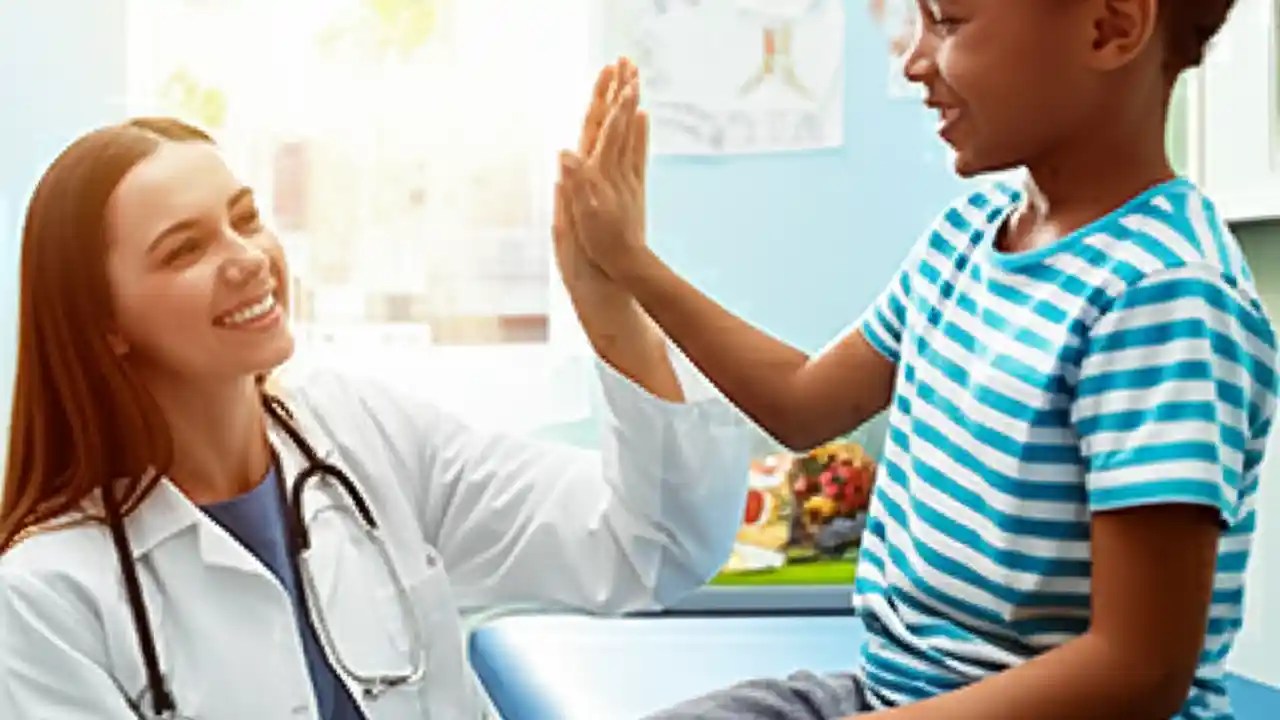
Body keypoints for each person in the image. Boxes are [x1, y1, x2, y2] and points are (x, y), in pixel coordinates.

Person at [561, 2, 1275, 718]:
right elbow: (803, 404)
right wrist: (630, 263)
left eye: (950, 21)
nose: (914, 61)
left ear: (1109, 28)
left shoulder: (1164, 295)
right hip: (886, 695)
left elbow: (1135, 671)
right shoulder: (966, 235)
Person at [0, 59, 749, 719]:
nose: (248, 260)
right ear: (105, 324)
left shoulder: (359, 432)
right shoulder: (44, 598)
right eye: (185, 249)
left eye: (245, 220)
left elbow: (652, 547)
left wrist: (610, 305)